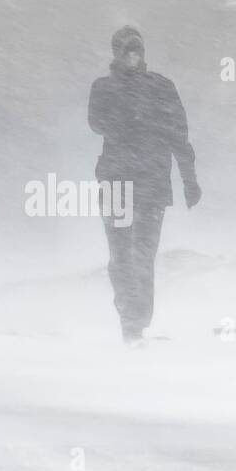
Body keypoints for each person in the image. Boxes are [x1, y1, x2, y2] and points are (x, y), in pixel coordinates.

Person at [88, 26, 201, 344]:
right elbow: (96, 122)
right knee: (122, 255)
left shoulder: (161, 87)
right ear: (116, 53)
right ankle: (131, 320)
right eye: (126, 50)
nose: (132, 55)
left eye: (137, 49)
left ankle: (137, 319)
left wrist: (189, 179)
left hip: (150, 184)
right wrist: (133, 117)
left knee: (142, 255)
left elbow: (179, 135)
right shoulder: (105, 88)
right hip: (117, 183)